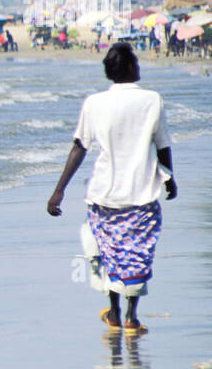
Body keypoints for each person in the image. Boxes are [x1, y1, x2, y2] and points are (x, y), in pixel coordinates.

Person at [47, 43, 176, 334]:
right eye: (136, 61)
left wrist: (59, 190)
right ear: (130, 67)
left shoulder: (94, 103)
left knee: (111, 252)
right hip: (142, 192)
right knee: (137, 253)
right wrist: (169, 177)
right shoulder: (152, 100)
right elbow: (162, 143)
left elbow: (79, 146)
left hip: (104, 193)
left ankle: (115, 312)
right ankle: (132, 316)